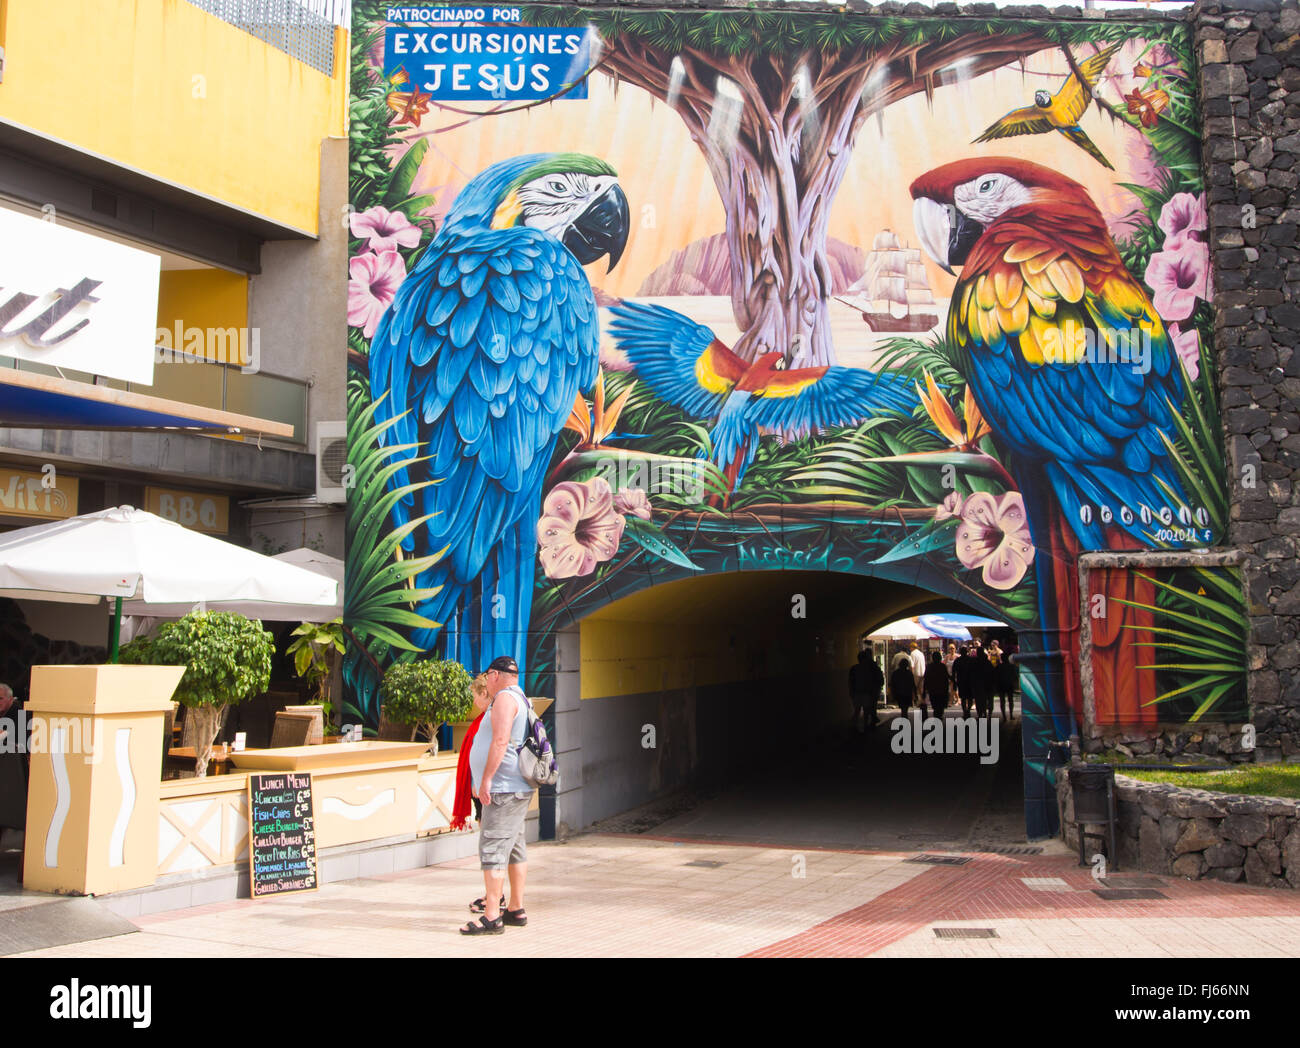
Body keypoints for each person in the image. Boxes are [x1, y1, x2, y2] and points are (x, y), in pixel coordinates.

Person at [462, 656, 534, 935]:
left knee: (492, 848)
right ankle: (516, 908)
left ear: (493, 675)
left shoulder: (504, 698)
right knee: (515, 848)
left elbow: (500, 740)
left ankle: (492, 915)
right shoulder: (520, 696)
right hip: (515, 787)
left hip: (503, 788)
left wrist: (487, 780)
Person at [450, 674, 490, 832]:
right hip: (481, 783)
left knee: (487, 826)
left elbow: (484, 753)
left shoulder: (488, 720)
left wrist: (477, 782)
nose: (474, 702)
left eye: (475, 696)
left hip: (484, 785)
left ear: (484, 693)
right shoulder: (482, 719)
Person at [848, 649, 884, 730]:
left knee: (857, 710)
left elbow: (851, 681)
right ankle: (865, 726)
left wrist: (851, 691)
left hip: (857, 692)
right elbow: (873, 680)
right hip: (866, 692)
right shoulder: (869, 668)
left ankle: (854, 726)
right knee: (866, 711)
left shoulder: (854, 668)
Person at [970, 647, 995, 719]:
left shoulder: (975, 662)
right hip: (985, 683)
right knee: (985, 699)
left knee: (979, 700)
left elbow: (972, 673)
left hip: (980, 683)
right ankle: (985, 713)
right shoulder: (987, 662)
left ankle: (981, 713)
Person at [923, 651, 949, 721]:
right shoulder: (942, 666)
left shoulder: (929, 666)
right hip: (941, 689)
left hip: (933, 689)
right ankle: (939, 715)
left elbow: (926, 679)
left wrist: (924, 690)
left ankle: (937, 715)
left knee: (935, 704)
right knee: (940, 704)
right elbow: (946, 678)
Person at [996, 646, 1019, 722]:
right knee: (1010, 700)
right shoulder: (1011, 666)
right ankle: (1011, 715)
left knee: (1002, 701)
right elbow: (1015, 676)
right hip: (1009, 684)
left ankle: (1004, 716)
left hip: (1001, 685)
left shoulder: (999, 667)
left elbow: (995, 676)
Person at [952, 645, 975, 717]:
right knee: (969, 697)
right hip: (969, 681)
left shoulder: (958, 660)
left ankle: (965, 710)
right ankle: (967, 710)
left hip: (962, 681)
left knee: (964, 698)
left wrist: (954, 682)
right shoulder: (970, 660)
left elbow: (953, 672)